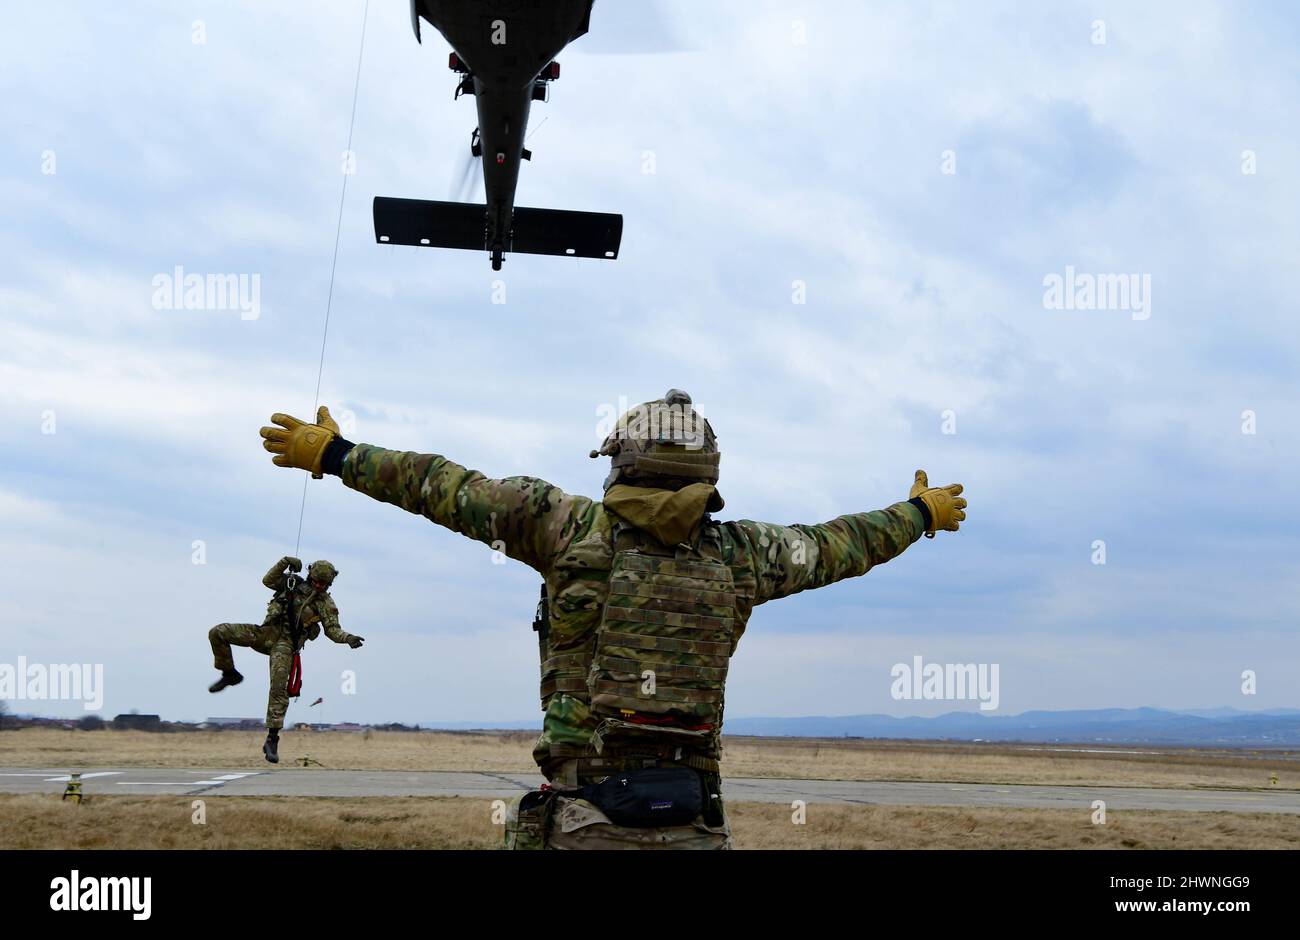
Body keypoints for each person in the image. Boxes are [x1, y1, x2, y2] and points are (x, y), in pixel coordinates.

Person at [259, 391, 965, 844]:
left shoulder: (558, 527)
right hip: (692, 818)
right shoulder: (748, 555)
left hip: (583, 816)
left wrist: (339, 455)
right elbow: (843, 544)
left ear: (622, 462)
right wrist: (917, 514)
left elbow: (441, 486)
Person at [208, 556, 364, 763]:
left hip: (285, 644)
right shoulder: (291, 583)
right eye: (316, 581)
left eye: (323, 584)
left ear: (329, 584)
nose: (319, 586)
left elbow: (333, 630)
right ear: (310, 575)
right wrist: (284, 562)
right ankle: (229, 673)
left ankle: (272, 739)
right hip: (264, 634)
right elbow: (267, 580)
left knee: (279, 686)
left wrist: (348, 638)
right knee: (218, 632)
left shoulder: (326, 603)